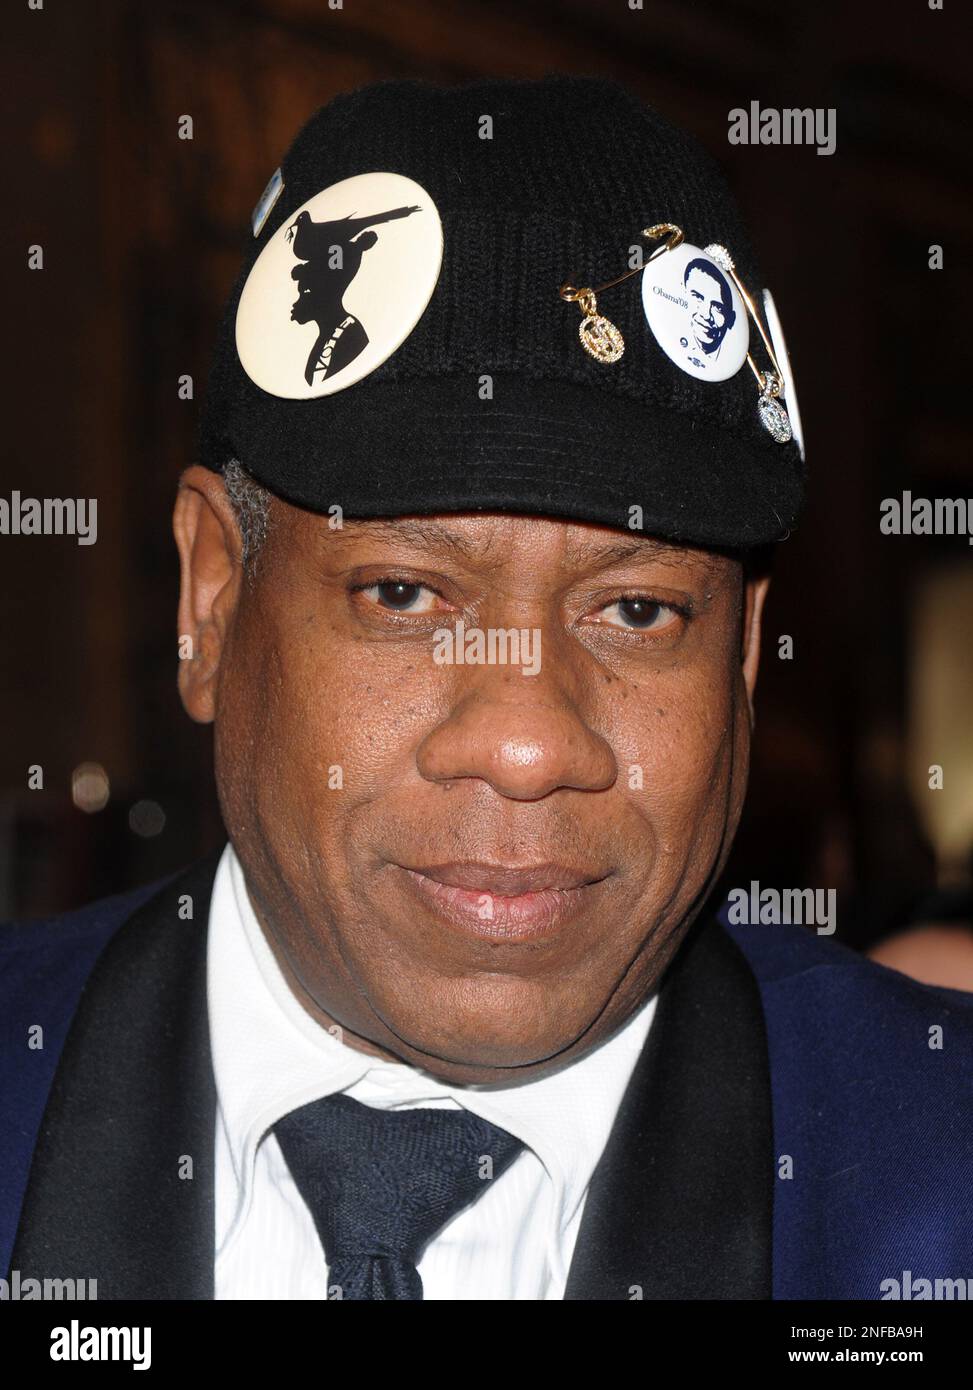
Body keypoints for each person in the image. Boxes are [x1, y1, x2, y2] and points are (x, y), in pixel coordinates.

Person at [3, 75, 972, 1302]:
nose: (525, 743)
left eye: (637, 609)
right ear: (212, 601)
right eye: (404, 594)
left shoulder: (939, 1181)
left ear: (741, 661)